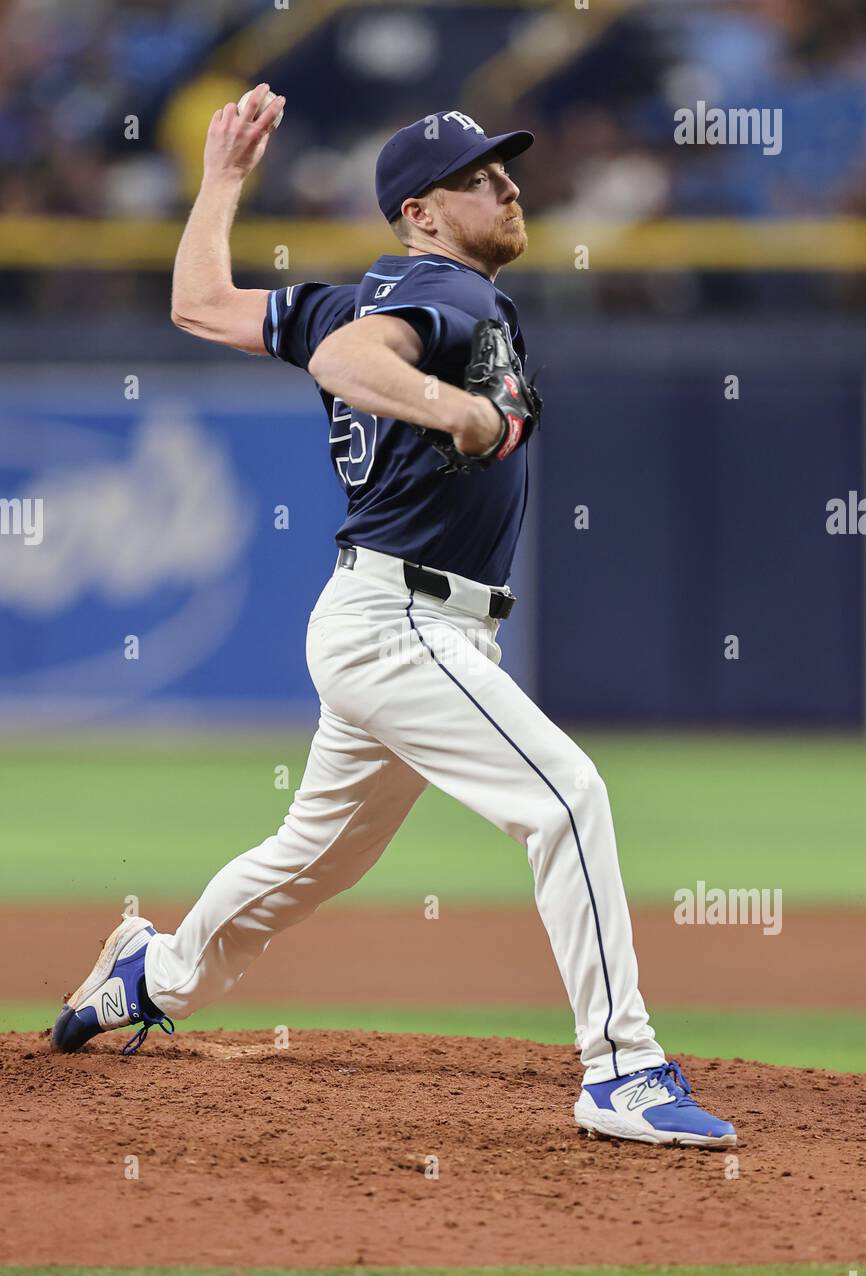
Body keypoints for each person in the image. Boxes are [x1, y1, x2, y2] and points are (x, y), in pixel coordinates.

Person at [53, 90, 736, 1149]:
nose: (506, 184)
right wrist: (455, 407)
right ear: (419, 210)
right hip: (402, 620)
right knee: (565, 797)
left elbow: (198, 306)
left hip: (398, 619)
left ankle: (152, 971)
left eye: (505, 168)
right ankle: (622, 1070)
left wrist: (223, 182)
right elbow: (349, 365)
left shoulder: (350, 295)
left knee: (308, 856)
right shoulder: (438, 292)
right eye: (477, 176)